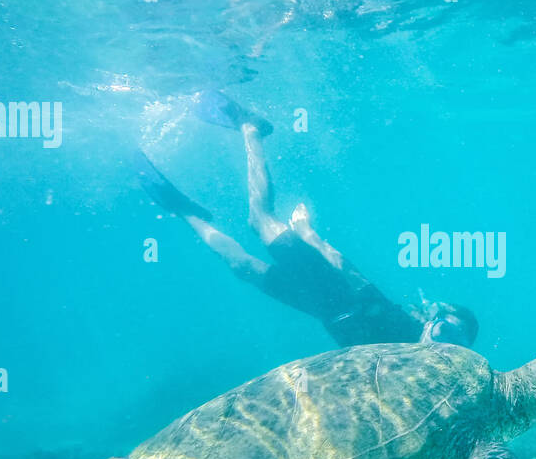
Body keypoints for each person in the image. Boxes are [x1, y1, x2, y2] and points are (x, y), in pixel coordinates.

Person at [137, 94, 479, 349]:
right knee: (260, 218)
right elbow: (348, 270)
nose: (443, 344)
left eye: (455, 344)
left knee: (242, 267)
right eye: (445, 331)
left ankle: (184, 210)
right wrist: (308, 234)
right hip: (322, 277)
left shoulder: (413, 359)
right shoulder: (400, 322)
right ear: (433, 322)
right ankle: (251, 128)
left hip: (316, 306)